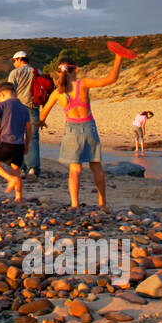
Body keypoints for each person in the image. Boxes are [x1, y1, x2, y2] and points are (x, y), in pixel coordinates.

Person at [39, 53, 123, 210]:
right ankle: (103, 204)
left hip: (72, 130)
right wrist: (118, 57)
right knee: (96, 166)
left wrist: (41, 123)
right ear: (75, 69)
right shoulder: (83, 84)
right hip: (89, 127)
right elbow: (111, 79)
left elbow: (43, 114)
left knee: (75, 169)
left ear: (58, 72)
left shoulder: (58, 93)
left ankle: (75, 204)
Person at [7, 50, 41, 179]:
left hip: (18, 109)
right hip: (33, 108)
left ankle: (20, 168)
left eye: (14, 61)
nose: (14, 63)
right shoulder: (38, 72)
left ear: (20, 60)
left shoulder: (15, 73)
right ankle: (33, 169)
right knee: (33, 139)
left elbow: (9, 92)